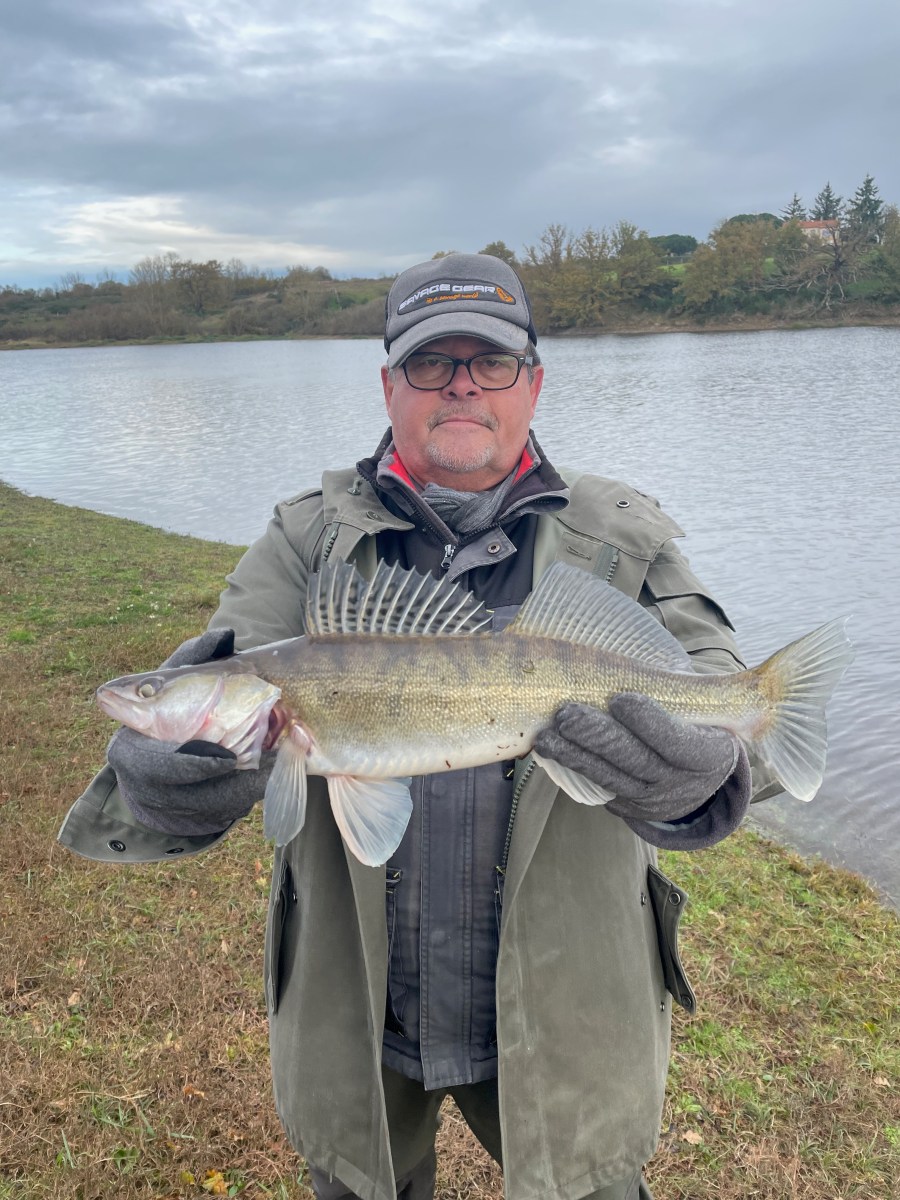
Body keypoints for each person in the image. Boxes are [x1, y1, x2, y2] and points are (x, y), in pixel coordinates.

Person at [60, 253, 779, 1200]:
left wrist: (711, 767)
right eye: (432, 364)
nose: (463, 387)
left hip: (570, 1008)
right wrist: (160, 767)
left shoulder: (623, 537)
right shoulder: (305, 542)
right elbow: (222, 663)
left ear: (534, 380)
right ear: (390, 383)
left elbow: (724, 691)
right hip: (359, 1011)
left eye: (490, 362)